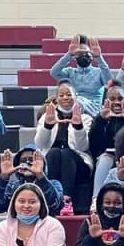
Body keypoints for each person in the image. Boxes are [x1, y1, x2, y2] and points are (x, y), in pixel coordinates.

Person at [35, 83, 94, 215]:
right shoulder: (47, 116)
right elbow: (41, 144)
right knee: (55, 152)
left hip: (78, 161)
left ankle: (66, 199)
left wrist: (78, 127)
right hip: (52, 157)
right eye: (61, 95)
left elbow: (83, 147)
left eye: (69, 94)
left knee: (66, 152)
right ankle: (52, 197)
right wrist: (47, 126)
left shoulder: (85, 118)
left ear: (75, 97)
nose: (65, 98)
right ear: (56, 99)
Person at [0, 145, 65, 216]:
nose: (27, 163)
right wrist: (3, 178)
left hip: (45, 228)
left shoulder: (54, 184)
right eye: (23, 160)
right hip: (15, 228)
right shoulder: (11, 186)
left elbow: (55, 205)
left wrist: (40, 176)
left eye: (31, 159)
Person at [49, 34, 111, 116]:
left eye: (86, 53)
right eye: (80, 53)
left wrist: (98, 57)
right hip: (71, 107)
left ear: (91, 56)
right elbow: (54, 72)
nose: (83, 55)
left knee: (76, 102)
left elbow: (109, 81)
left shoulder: (99, 72)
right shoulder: (69, 72)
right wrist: (69, 55)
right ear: (75, 57)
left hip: (92, 111)